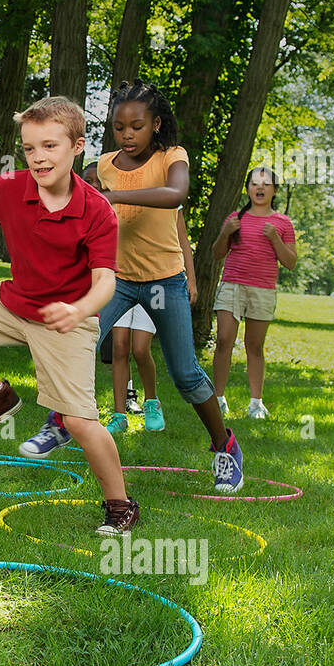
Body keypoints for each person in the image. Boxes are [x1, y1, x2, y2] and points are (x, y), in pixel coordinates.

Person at [0, 96, 141, 536]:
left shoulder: (97, 210)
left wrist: (78, 309)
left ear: (77, 147)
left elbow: (106, 282)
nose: (38, 157)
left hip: (68, 319)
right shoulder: (7, 188)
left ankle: (121, 505)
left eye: (50, 146)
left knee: (77, 421)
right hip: (12, 304)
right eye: (30, 147)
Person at [84, 78, 244, 493]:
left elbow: (177, 193)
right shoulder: (102, 166)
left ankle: (224, 445)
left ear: (155, 123)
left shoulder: (173, 156)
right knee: (78, 344)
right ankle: (59, 425)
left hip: (164, 281)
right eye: (119, 127)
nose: (127, 134)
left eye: (136, 126)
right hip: (116, 279)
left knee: (186, 375)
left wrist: (115, 197)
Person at [211, 166, 297, 418]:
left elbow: (290, 262)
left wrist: (274, 239)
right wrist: (226, 233)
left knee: (254, 346)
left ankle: (256, 403)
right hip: (232, 285)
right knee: (224, 339)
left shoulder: (282, 223)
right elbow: (217, 253)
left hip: (262, 290)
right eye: (255, 184)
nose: (259, 188)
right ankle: (218, 399)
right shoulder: (235, 219)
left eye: (266, 184)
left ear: (275, 190)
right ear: (247, 188)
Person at [107, 209, 197, 434]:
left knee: (139, 349)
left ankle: (151, 402)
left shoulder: (168, 199)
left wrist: (191, 280)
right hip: (122, 280)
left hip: (155, 284)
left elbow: (182, 240)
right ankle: (119, 415)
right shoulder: (119, 192)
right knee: (119, 347)